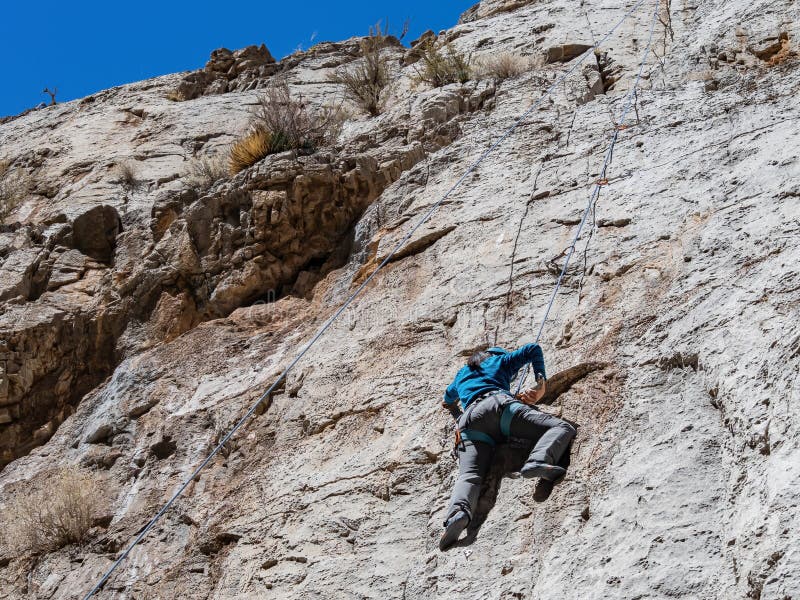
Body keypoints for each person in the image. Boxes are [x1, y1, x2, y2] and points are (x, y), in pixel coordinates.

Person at [439, 343, 576, 550]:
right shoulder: (499, 360)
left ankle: (457, 515)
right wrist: (541, 383)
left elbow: (448, 398)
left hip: (468, 424)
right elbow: (533, 349)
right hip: (498, 406)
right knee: (560, 427)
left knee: (469, 475)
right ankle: (538, 460)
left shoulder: (462, 373)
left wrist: (454, 407)